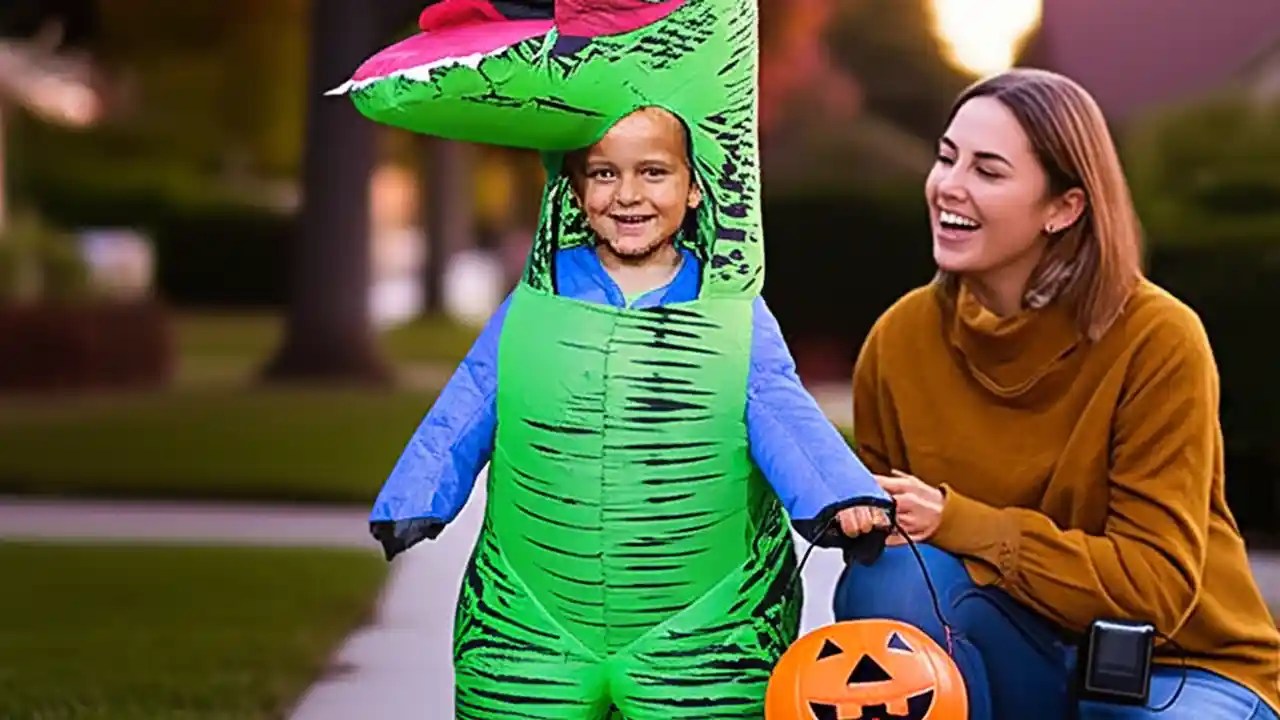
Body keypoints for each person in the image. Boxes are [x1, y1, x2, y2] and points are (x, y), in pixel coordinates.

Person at [334, 1, 893, 717]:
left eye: (653, 173)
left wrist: (837, 496)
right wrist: (416, 496)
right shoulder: (537, 301)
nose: (627, 196)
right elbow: (473, 396)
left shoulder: (730, 314)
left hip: (700, 623)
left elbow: (778, 404)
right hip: (533, 612)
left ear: (695, 190)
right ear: (573, 189)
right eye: (602, 175)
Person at [834, 67, 1280, 719]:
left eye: (988, 171)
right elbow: (897, 558)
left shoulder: (1157, 339)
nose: (949, 186)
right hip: (1018, 655)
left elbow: (1155, 587)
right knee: (891, 580)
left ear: (1064, 207)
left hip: (1178, 668)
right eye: (947, 157)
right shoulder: (899, 341)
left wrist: (964, 522)